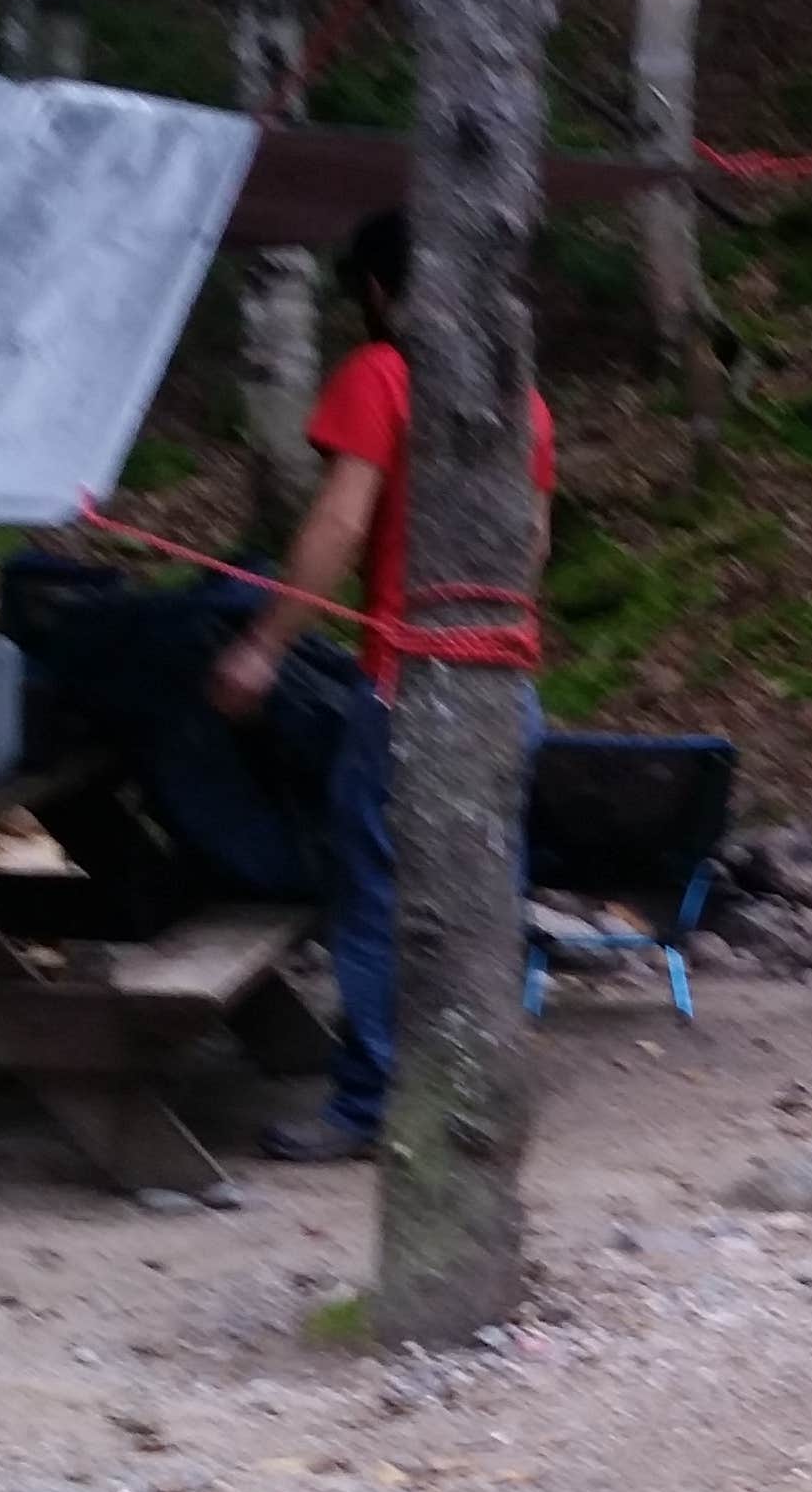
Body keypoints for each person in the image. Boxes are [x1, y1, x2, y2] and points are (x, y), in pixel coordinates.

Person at [207, 208, 559, 1162]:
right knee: (482, 895)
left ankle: (371, 1104)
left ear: (374, 289)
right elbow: (532, 542)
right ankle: (474, 1095)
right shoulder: (520, 398)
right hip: (507, 689)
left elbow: (341, 524)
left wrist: (265, 645)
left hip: (410, 686)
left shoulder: (382, 374)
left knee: (376, 893)